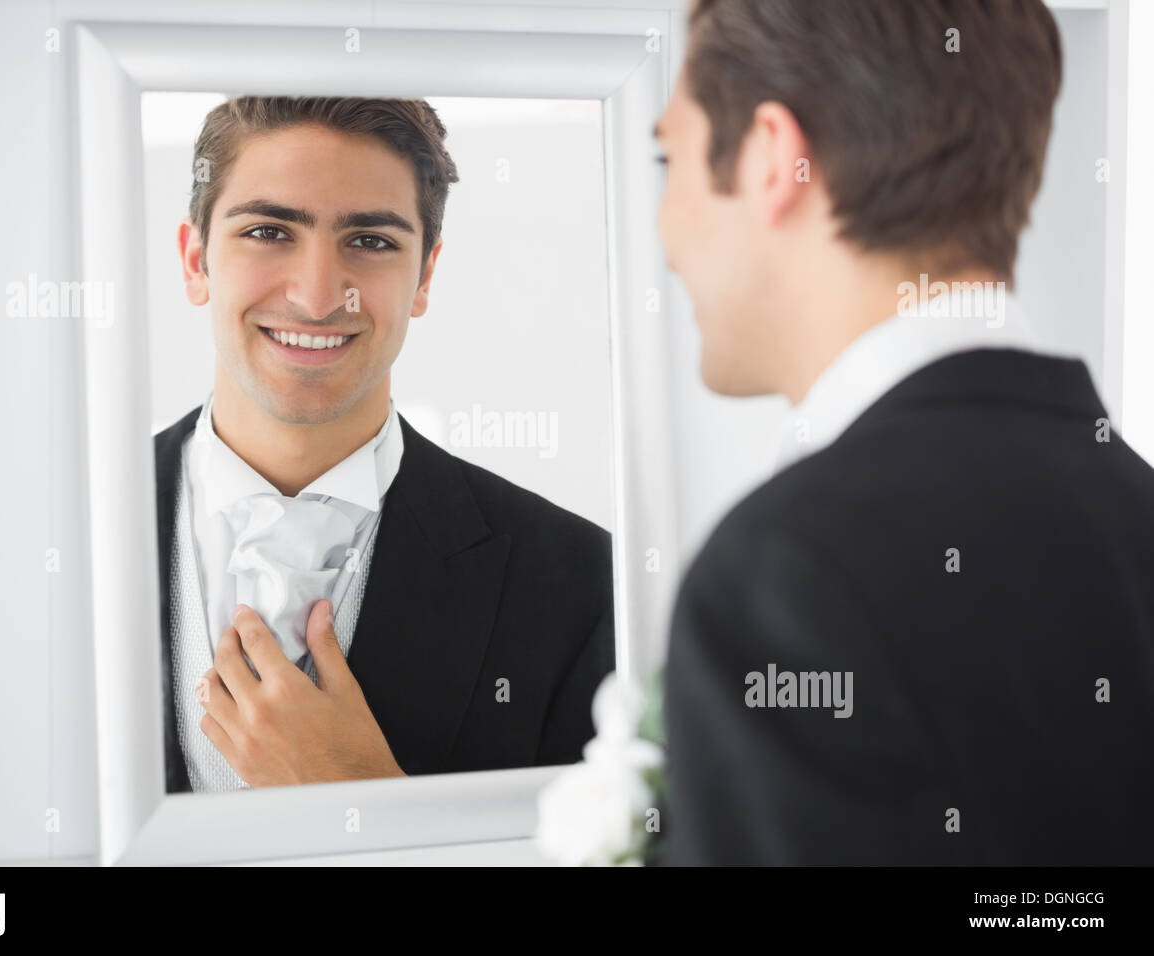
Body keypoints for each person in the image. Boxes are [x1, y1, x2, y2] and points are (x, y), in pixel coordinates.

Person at [654, 0, 1154, 864]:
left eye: (671, 160)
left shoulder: (783, 576)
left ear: (775, 158)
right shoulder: (1136, 511)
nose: (665, 235)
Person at [155, 96, 613, 792]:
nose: (316, 298)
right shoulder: (51, 537)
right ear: (196, 259)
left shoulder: (581, 582)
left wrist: (358, 791)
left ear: (424, 276)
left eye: (369, 241)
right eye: (270, 231)